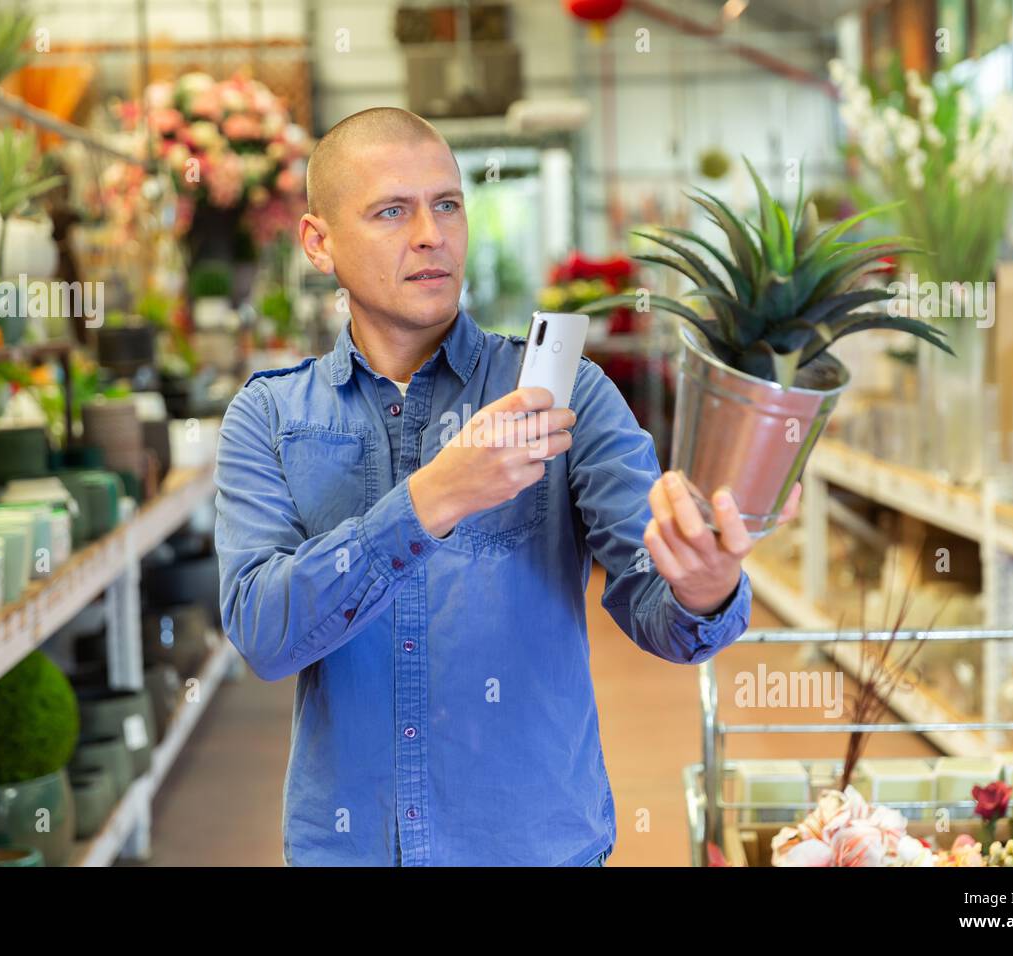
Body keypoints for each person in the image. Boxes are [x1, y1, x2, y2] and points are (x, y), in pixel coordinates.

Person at [214, 107, 801, 866]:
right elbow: (264, 634)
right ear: (319, 242)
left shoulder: (563, 394)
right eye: (392, 210)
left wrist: (706, 585)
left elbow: (660, 607)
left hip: (536, 848)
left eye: (447, 204)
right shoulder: (268, 416)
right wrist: (433, 500)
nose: (431, 233)